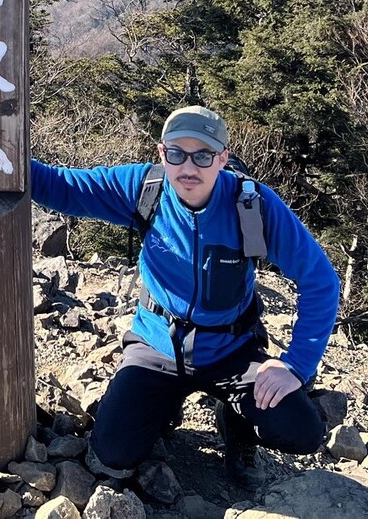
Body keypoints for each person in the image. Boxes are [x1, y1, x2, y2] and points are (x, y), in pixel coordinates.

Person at [30, 104, 339, 482]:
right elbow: (61, 186)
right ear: (162, 153)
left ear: (222, 158)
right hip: (157, 346)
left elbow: (321, 281)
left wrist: (295, 366)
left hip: (232, 351)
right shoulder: (144, 188)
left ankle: (236, 420)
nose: (189, 167)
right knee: (112, 454)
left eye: (203, 156)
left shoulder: (253, 205)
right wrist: (0, 160)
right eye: (177, 154)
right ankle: (161, 406)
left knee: (301, 431)